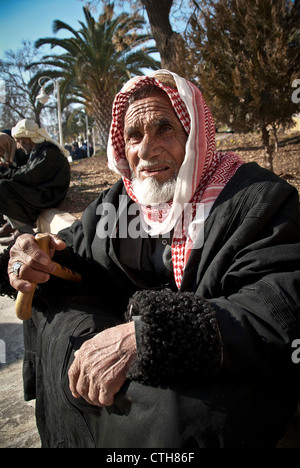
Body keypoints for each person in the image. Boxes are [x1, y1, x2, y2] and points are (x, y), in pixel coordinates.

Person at [4, 70, 300, 448]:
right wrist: (31, 259)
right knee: (51, 305)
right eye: (134, 135)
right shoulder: (121, 201)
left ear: (196, 135)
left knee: (182, 415)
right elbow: (75, 253)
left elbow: (280, 306)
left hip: (219, 367)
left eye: (164, 129)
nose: (145, 150)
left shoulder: (260, 199)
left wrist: (149, 335)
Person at [0, 119, 70, 245]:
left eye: (18, 141)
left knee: (2, 187)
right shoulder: (40, 150)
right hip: (43, 191)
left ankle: (24, 231)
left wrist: (3, 171)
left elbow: (29, 175)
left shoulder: (48, 151)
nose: (18, 145)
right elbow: (27, 172)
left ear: (26, 139)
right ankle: (17, 228)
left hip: (48, 196)